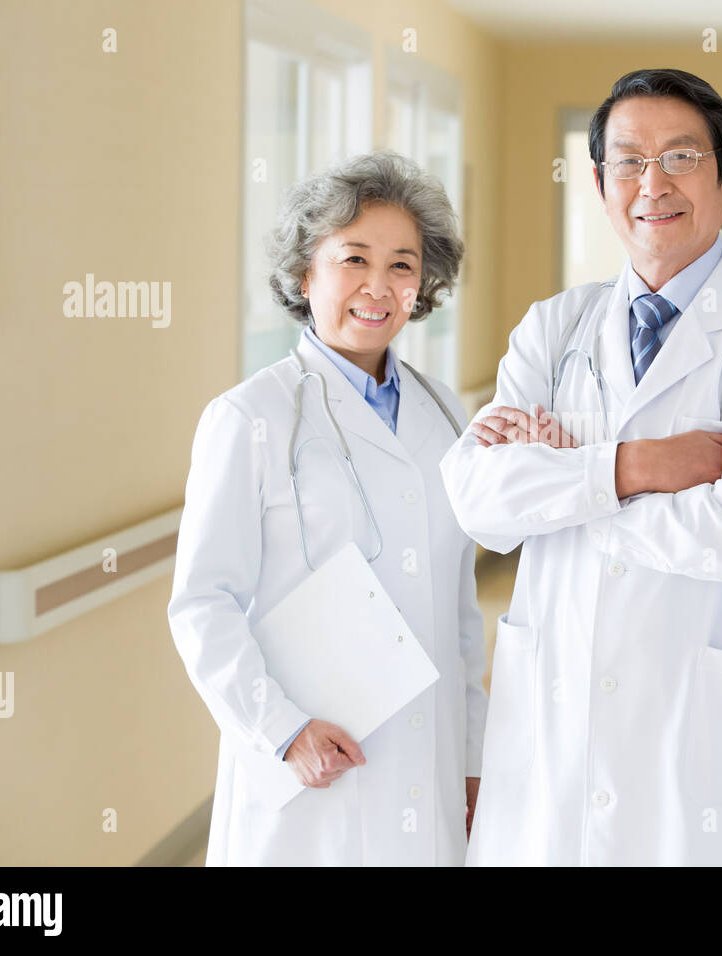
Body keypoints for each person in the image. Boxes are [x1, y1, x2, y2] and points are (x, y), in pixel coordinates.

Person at [440, 69, 722, 865]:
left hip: (700, 748)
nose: (652, 184)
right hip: (552, 730)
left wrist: (562, 481)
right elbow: (479, 502)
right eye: (628, 162)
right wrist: (636, 466)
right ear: (599, 182)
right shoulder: (554, 327)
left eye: (680, 158)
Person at [168, 151, 488, 866]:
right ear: (305, 274)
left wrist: (471, 753)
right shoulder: (249, 416)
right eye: (354, 259)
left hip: (425, 758)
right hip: (311, 757)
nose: (379, 286)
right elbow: (202, 604)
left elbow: (460, 609)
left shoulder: (443, 410)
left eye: (403, 265)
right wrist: (281, 729)